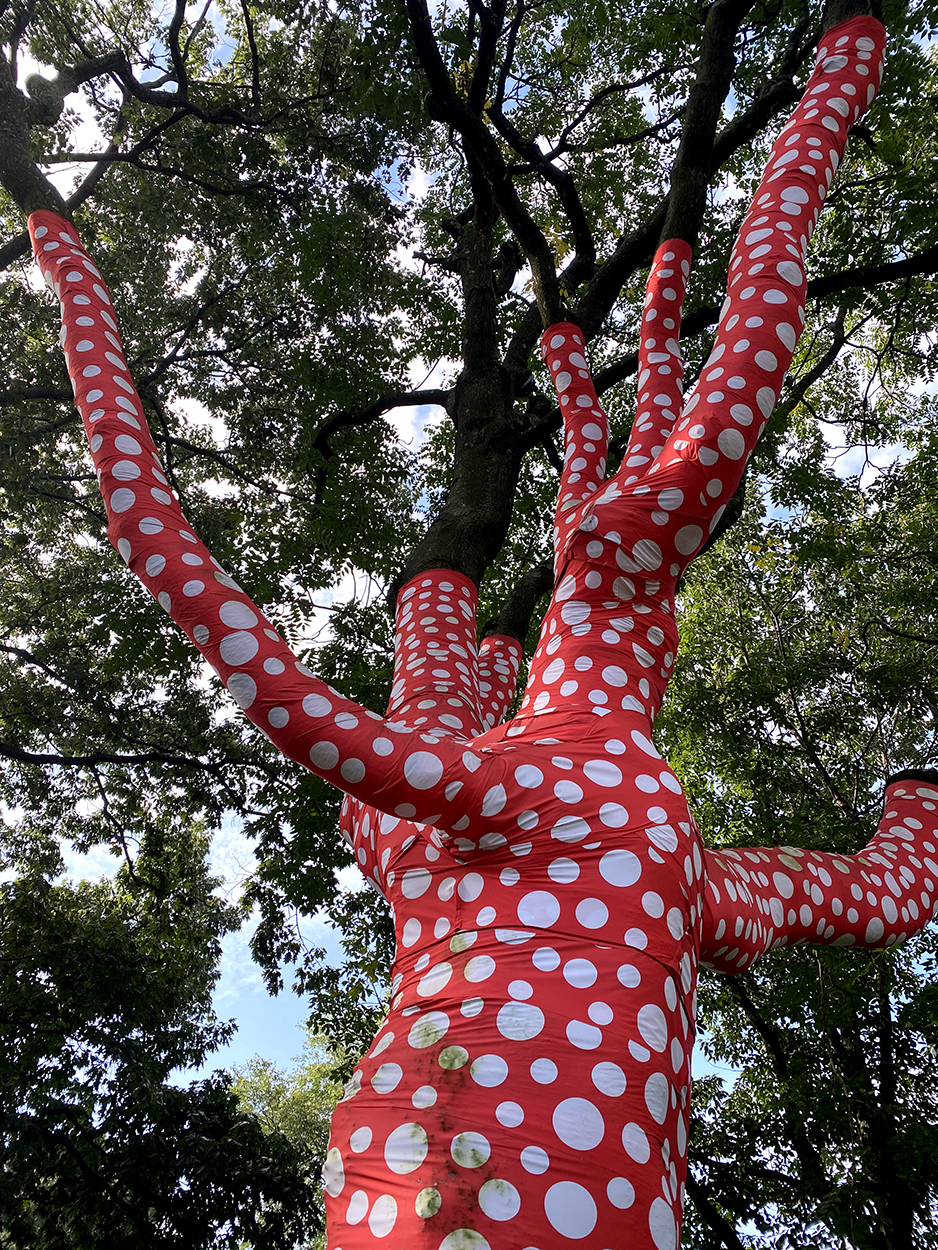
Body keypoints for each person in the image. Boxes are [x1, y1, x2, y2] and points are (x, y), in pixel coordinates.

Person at [27, 12, 937, 1249]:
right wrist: (910, 825)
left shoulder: (504, 796)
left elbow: (884, 892)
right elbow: (881, 892)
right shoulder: (597, 823)